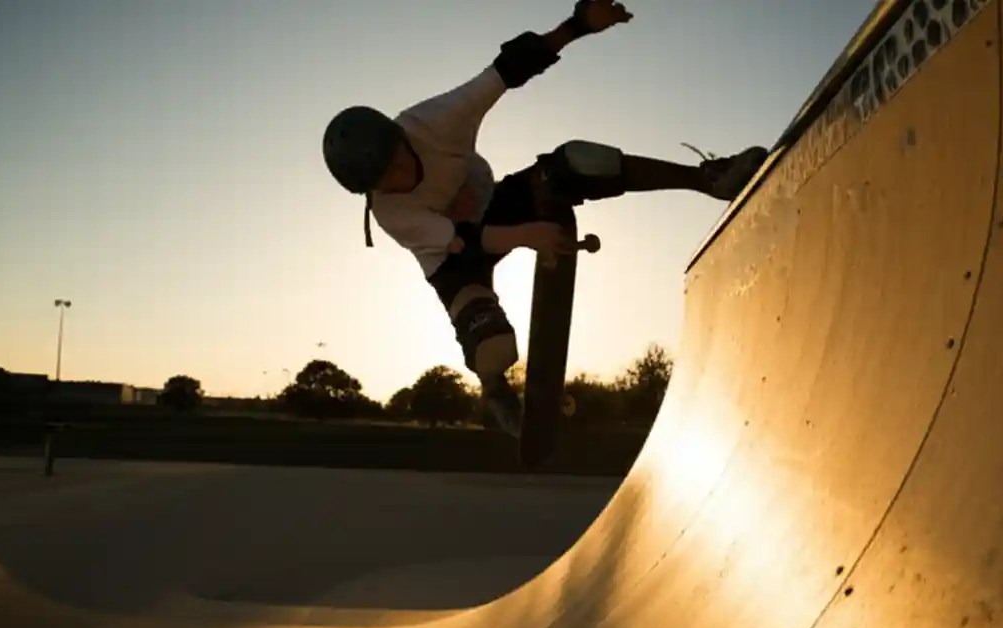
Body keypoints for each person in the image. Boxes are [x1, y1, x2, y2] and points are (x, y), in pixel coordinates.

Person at [321, 0, 766, 437]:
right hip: (453, 261)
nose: (401, 178)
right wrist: (527, 235)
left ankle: (708, 178)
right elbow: (463, 241)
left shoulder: (435, 120)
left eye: (398, 162)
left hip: (493, 202)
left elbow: (508, 68)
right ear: (371, 189)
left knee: (577, 162)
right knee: (494, 348)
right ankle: (494, 391)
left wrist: (577, 25)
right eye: (387, 180)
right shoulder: (389, 212)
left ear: (401, 137)